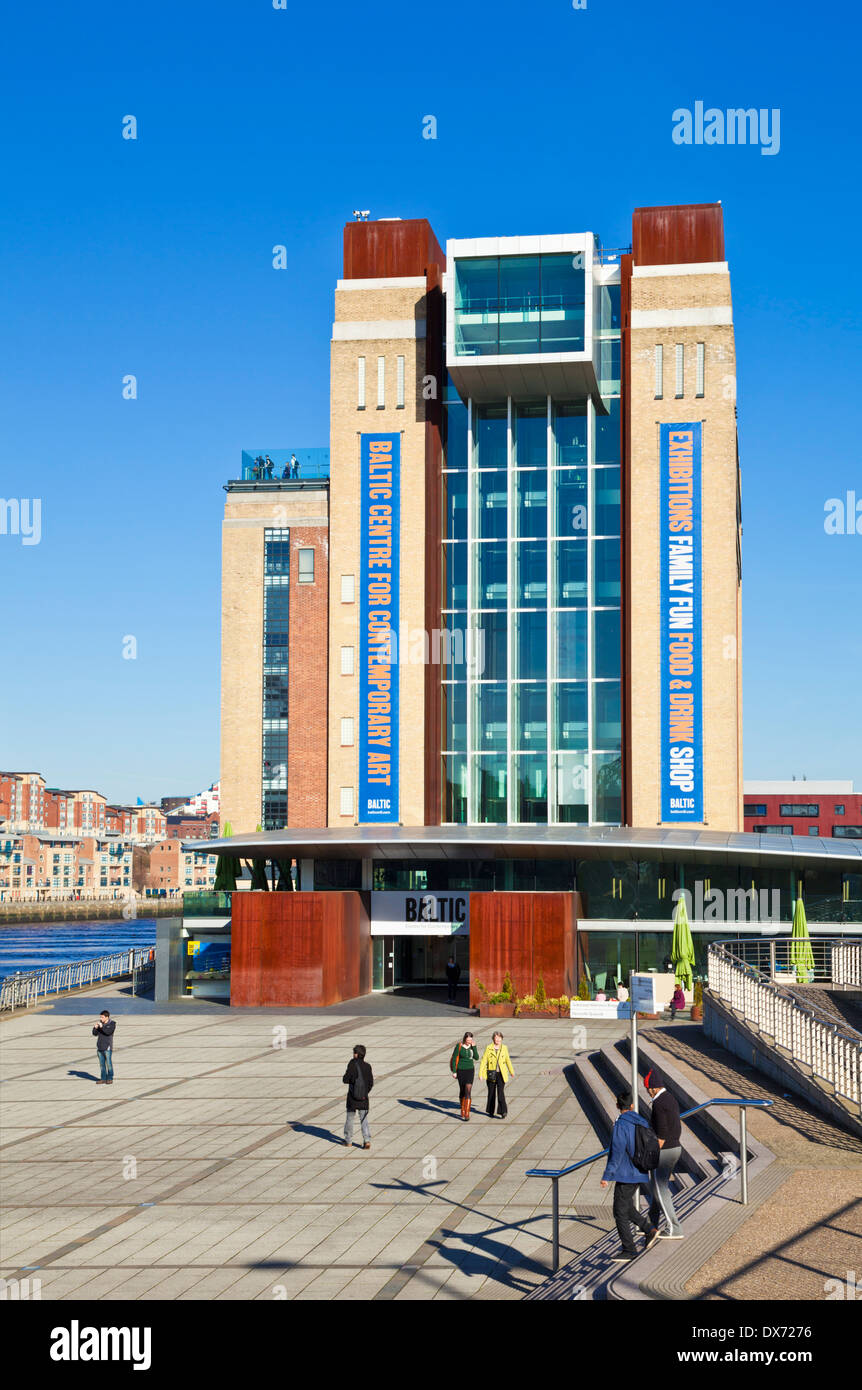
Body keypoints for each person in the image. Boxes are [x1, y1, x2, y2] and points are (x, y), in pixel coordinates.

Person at [600, 1089, 660, 1262]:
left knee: (619, 1212)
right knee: (625, 1206)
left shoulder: (621, 1125)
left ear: (618, 1105)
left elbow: (617, 1151)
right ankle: (649, 1229)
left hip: (626, 1173)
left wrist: (607, 1175)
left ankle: (629, 1249)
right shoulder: (641, 1121)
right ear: (632, 1105)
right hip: (640, 1170)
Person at [645, 1068, 683, 1238]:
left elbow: (662, 1132)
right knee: (658, 1188)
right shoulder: (670, 1098)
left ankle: (674, 1228)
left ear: (653, 1087)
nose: (647, 1092)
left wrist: (651, 1154)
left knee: (660, 1189)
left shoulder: (659, 1103)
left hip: (665, 1151)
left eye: (647, 1089)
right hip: (675, 1148)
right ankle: (650, 1223)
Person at [342, 1043, 373, 1149]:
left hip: (352, 1097)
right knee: (364, 1118)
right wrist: (364, 1092)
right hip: (364, 1098)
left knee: (350, 1118)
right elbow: (370, 1083)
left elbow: (345, 1079)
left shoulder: (352, 1064)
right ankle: (367, 1140)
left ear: (356, 1054)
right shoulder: (368, 1066)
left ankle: (348, 1140)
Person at [479, 1031, 514, 1118]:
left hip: (501, 1074)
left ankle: (503, 1111)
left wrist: (511, 1071)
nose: (497, 1039)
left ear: (502, 1039)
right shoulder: (489, 1048)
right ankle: (490, 1111)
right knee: (491, 1093)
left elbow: (507, 1060)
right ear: (493, 1038)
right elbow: (484, 1061)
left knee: (500, 1093)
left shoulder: (504, 1048)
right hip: (491, 1073)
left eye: (499, 1037)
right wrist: (480, 1074)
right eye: (496, 1037)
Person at [450, 1031, 479, 1121]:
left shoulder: (472, 1046)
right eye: (468, 1039)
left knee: (468, 1090)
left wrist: (474, 1047)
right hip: (461, 1070)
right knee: (462, 1090)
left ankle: (467, 1113)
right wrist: (454, 1071)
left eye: (471, 1039)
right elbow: (454, 1058)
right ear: (465, 1039)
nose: (469, 1040)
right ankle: (462, 1109)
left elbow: (476, 1057)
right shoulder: (459, 1046)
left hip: (470, 1070)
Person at [92, 1010, 116, 1085]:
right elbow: (94, 1034)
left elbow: (108, 1032)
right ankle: (103, 1078)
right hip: (100, 1047)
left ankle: (110, 1078)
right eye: (100, 1017)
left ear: (107, 1017)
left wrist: (102, 1027)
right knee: (102, 1065)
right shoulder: (100, 1024)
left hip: (107, 1047)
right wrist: (95, 1028)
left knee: (109, 1064)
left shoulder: (112, 1024)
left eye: (102, 1017)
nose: (101, 1018)